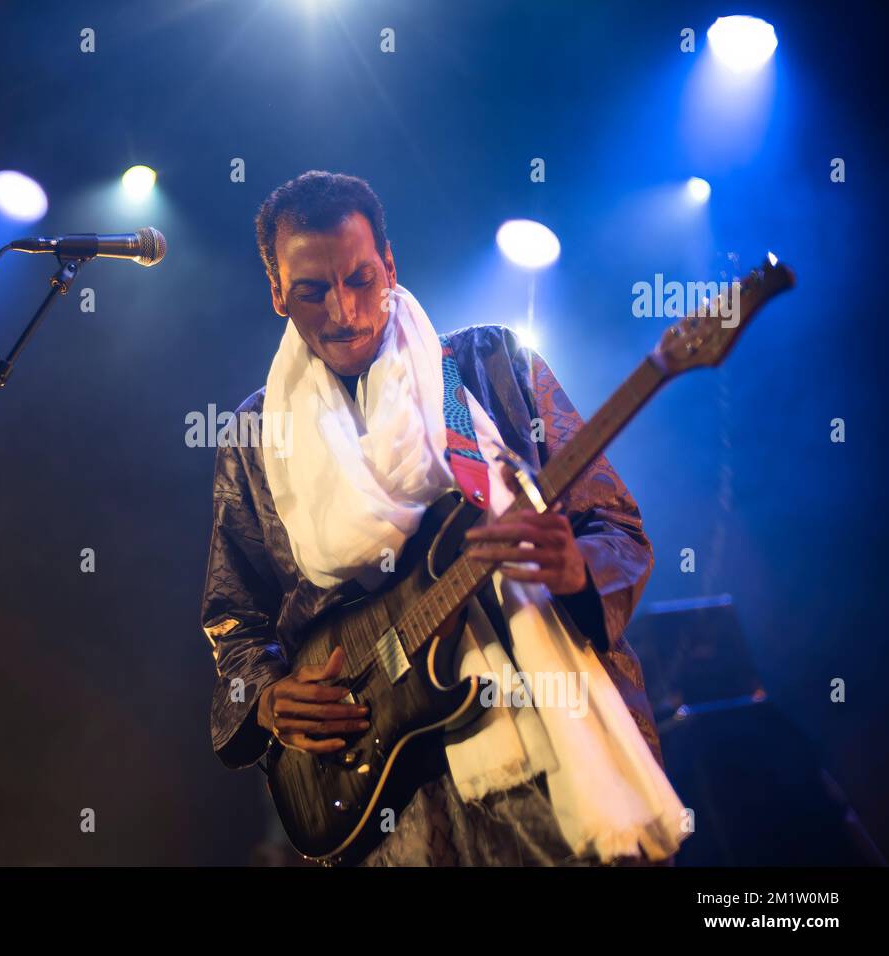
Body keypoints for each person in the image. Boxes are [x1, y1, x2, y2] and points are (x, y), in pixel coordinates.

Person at [202, 170, 687, 866]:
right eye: (311, 290)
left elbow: (617, 529)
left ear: (389, 265)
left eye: (361, 278)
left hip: (547, 749)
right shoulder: (252, 439)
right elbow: (234, 618)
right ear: (277, 291)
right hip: (382, 800)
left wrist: (576, 570)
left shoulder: (489, 367)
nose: (343, 309)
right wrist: (267, 698)